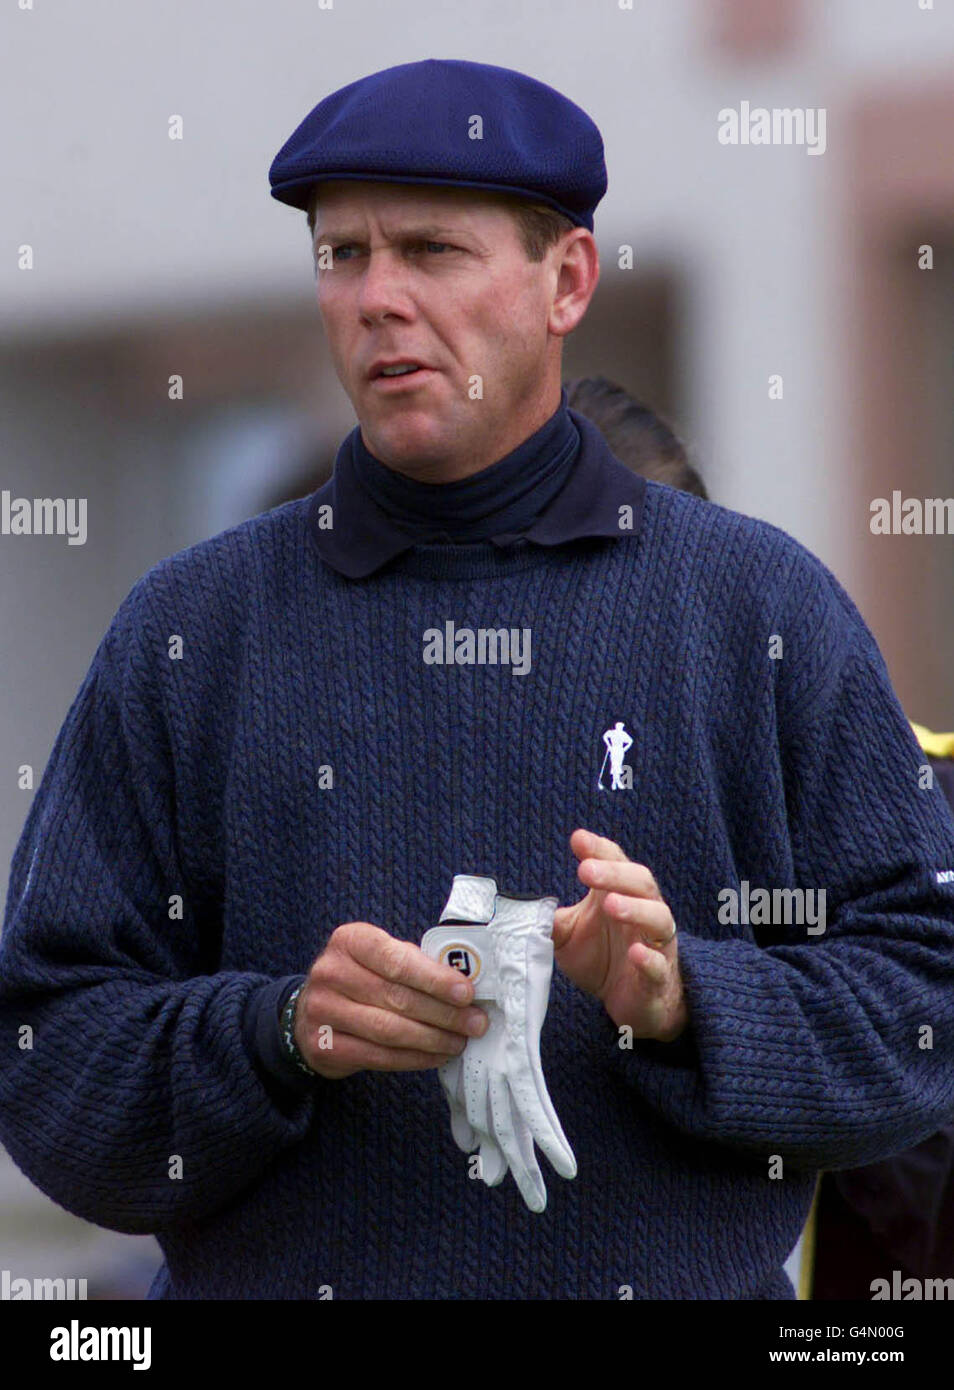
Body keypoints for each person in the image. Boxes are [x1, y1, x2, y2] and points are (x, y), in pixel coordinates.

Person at [1, 57, 954, 1301]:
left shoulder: (757, 609)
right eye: (343, 255)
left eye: (432, 250)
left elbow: (925, 1005)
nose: (378, 298)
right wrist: (282, 1032)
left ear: (568, 280)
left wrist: (683, 1002)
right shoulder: (190, 633)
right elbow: (45, 1060)